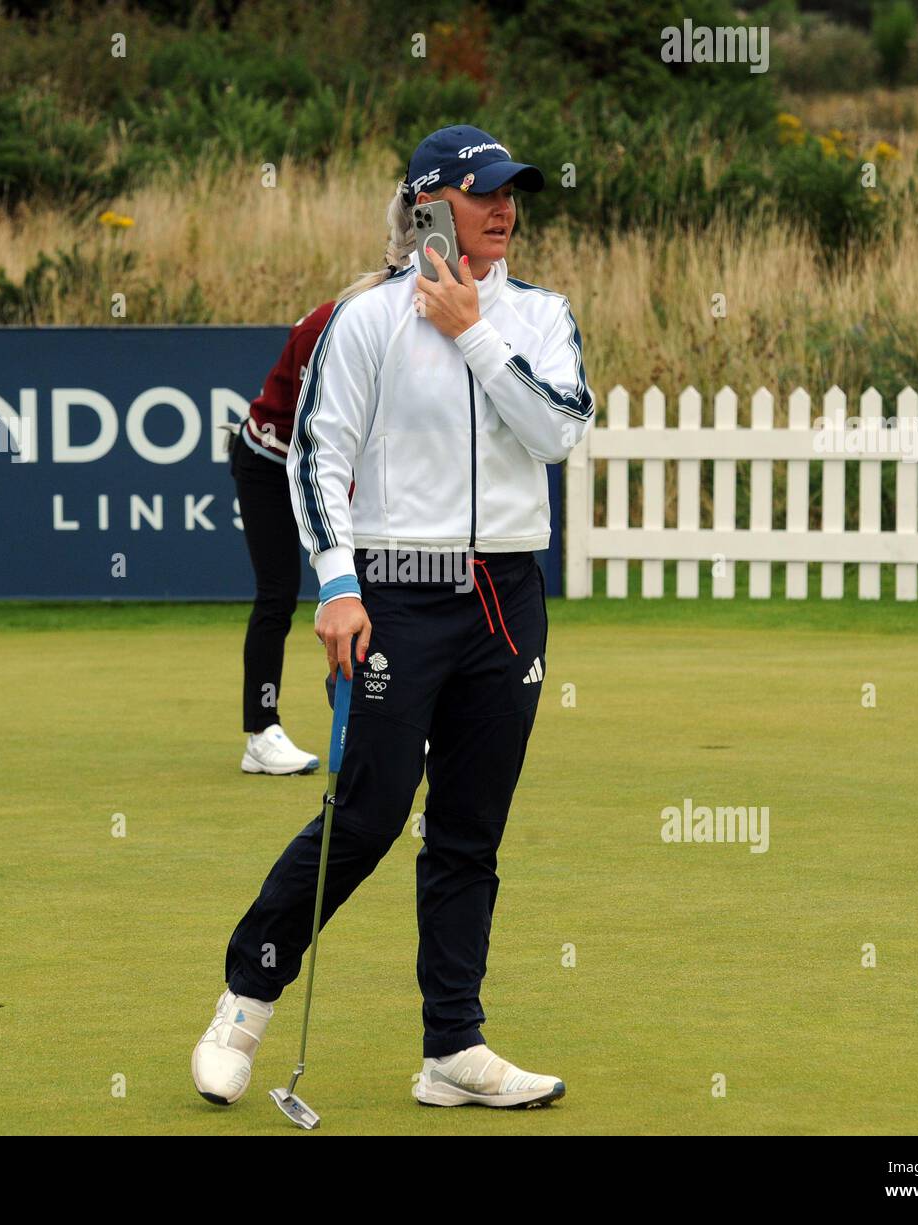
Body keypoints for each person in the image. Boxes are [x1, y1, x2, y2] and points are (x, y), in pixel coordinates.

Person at [193, 125, 593, 1109]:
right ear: (427, 207)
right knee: (366, 815)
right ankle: (243, 1003)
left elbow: (556, 431)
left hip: (505, 594)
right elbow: (316, 459)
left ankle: (452, 1047)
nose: (503, 209)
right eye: (480, 192)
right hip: (396, 592)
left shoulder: (540, 316)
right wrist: (336, 585)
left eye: (512, 193)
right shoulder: (364, 318)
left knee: (469, 829)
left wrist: (473, 333)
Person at [230, 301, 335, 775]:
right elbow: (320, 432)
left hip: (326, 464)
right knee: (277, 595)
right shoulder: (325, 329)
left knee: (375, 589)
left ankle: (386, 724)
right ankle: (261, 734)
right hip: (268, 462)